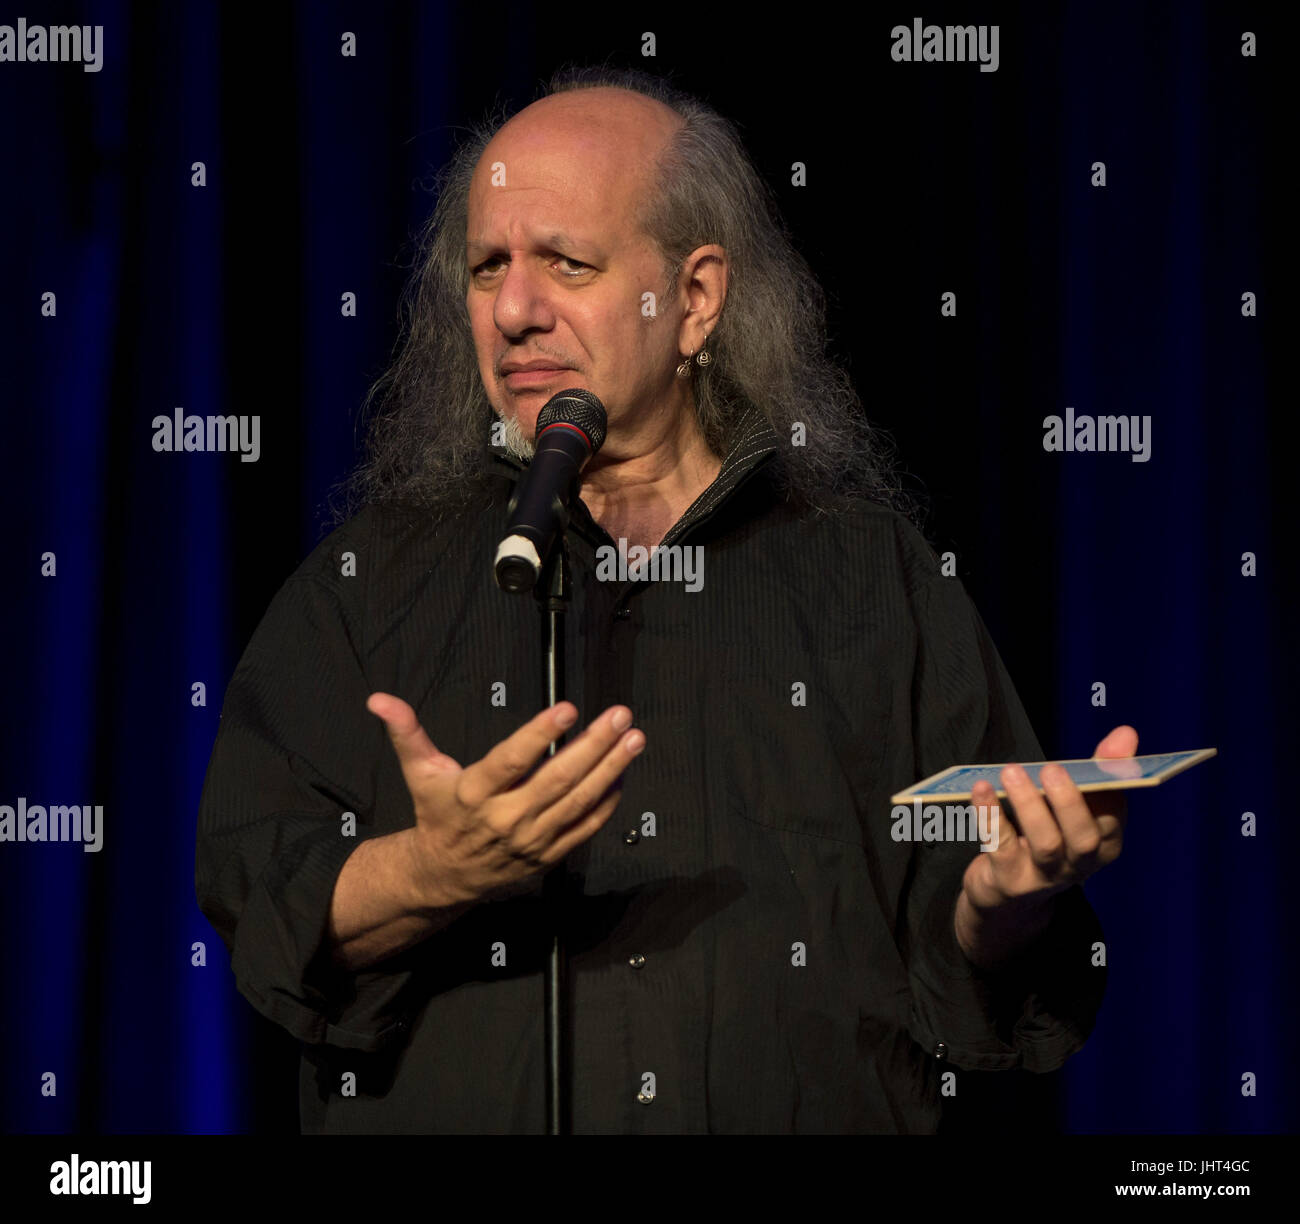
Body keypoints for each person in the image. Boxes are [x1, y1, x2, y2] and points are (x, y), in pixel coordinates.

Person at [195, 65, 1132, 1134]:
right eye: (487, 266)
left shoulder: (871, 583)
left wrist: (1001, 905)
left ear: (693, 299)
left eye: (564, 263)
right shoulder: (367, 589)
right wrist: (432, 870)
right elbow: (252, 881)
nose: (510, 309)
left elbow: (977, 965)